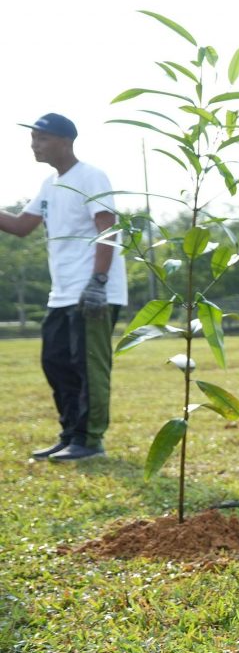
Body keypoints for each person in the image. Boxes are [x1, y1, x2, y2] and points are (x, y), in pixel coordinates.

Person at [3, 114, 126, 462]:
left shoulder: (90, 176)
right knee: (55, 362)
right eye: (32, 139)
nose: (33, 145)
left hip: (92, 291)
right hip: (62, 294)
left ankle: (90, 439)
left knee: (88, 367)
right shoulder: (49, 184)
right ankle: (70, 434)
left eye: (41, 139)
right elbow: (21, 226)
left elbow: (108, 228)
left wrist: (98, 282)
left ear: (65, 141)